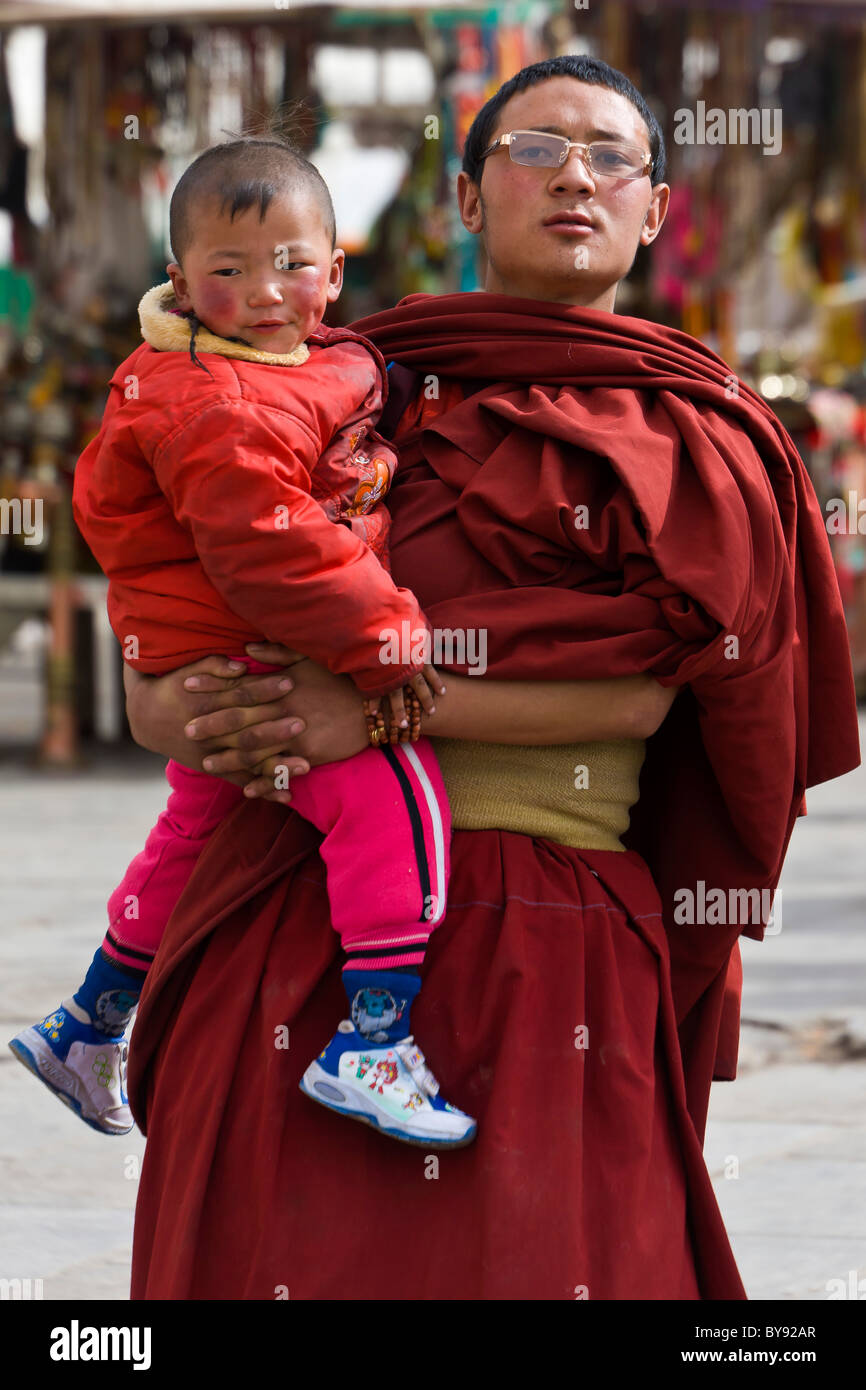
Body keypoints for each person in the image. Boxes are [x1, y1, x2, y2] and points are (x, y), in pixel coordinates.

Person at [121, 57, 858, 1299]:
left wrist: (361, 709)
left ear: (652, 209)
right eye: (531, 150)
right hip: (295, 904)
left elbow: (644, 693)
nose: (573, 174)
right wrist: (172, 705)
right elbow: (179, 597)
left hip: (549, 917)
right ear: (466, 199)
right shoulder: (341, 392)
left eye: (608, 155)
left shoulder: (700, 432)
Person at [8, 136, 478, 1150]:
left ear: (335, 268)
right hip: (260, 646)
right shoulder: (216, 400)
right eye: (227, 272)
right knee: (396, 805)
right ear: (179, 280)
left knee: (193, 829)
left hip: (212, 650)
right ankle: (374, 1041)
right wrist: (388, 641)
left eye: (292, 266)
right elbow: (272, 548)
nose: (265, 293)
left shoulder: (286, 364)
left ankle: (88, 1021)